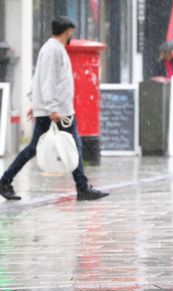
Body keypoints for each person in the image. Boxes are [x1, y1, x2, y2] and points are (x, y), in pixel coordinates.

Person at [0, 16, 109, 201]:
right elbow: (47, 80)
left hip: (56, 109)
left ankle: (82, 187)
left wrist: (36, 103)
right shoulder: (52, 50)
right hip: (57, 111)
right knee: (63, 145)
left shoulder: (53, 48)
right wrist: (51, 109)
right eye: (71, 31)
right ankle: (82, 188)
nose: (71, 35)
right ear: (67, 31)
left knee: (54, 146)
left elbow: (39, 78)